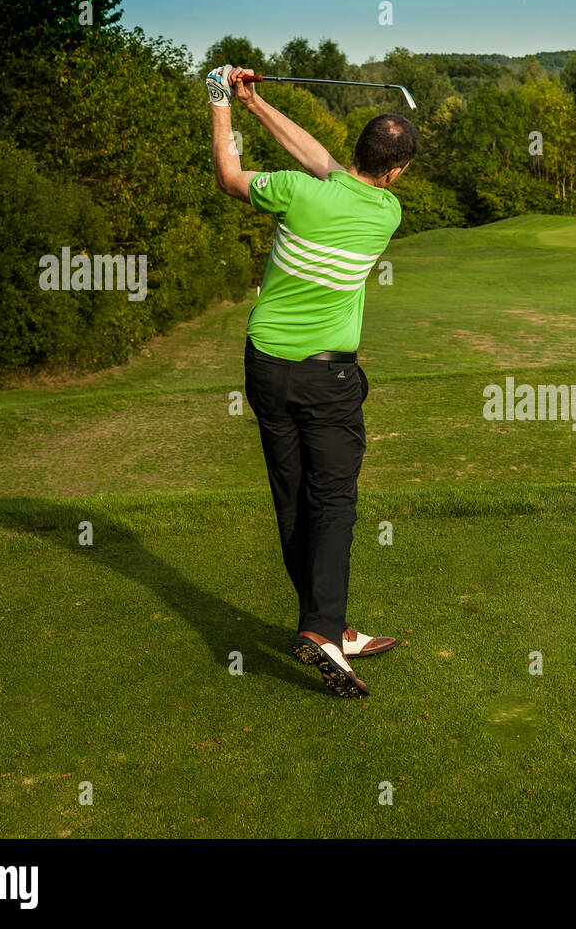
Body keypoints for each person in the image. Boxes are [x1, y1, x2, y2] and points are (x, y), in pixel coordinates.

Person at [206, 64, 417, 698]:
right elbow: (324, 161)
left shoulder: (299, 191)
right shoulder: (386, 211)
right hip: (327, 380)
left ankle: (328, 625)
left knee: (293, 496)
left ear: (357, 153)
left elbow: (229, 175)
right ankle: (323, 630)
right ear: (396, 171)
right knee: (334, 502)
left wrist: (228, 102)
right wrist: (251, 102)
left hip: (265, 367)